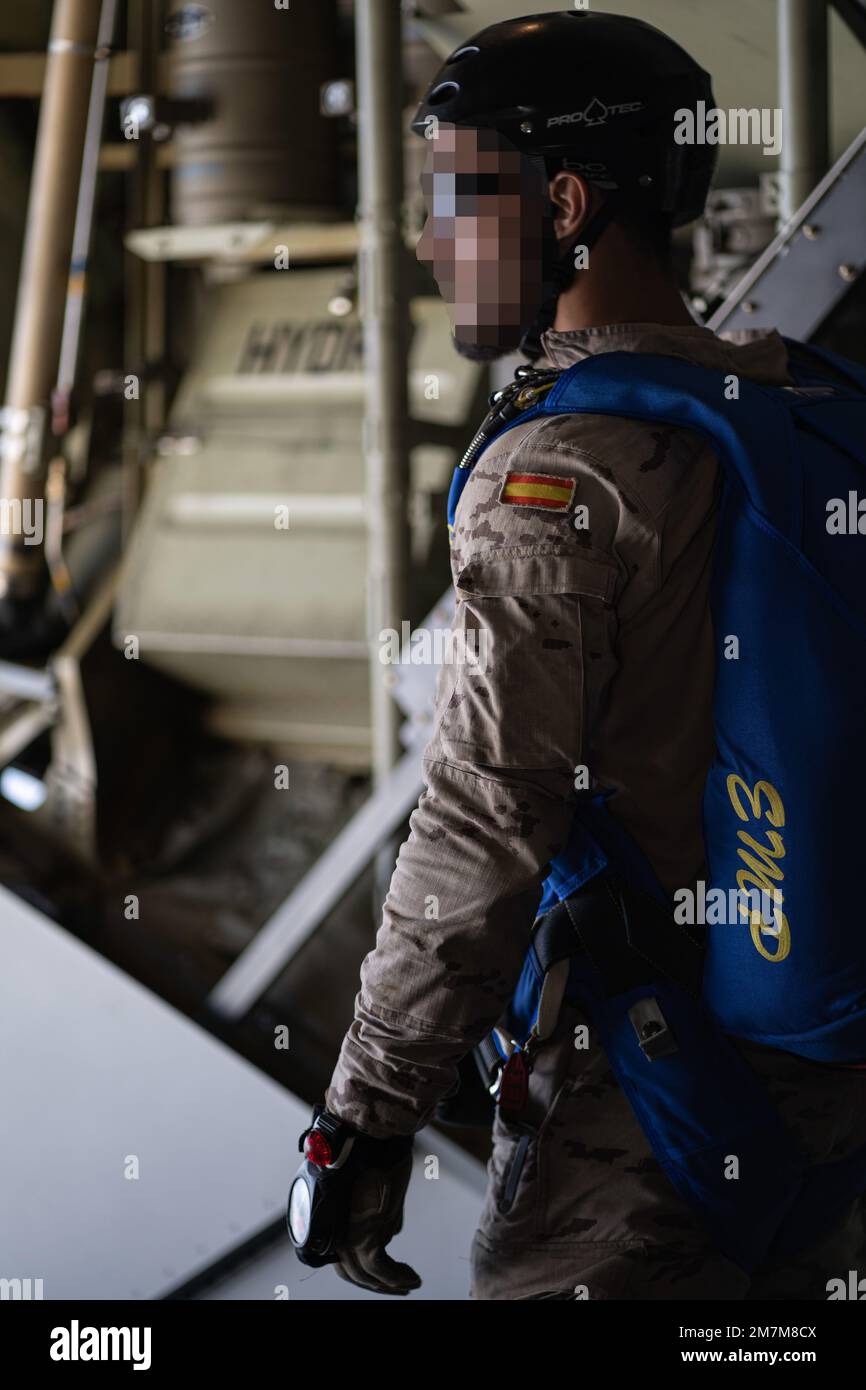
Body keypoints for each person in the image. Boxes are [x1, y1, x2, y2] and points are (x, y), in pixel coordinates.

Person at [310, 9, 866, 1300]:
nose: (427, 238)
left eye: (457, 195)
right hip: (822, 1123)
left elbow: (480, 814)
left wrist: (366, 1110)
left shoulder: (553, 474)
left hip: (641, 1149)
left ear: (564, 201)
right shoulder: (789, 401)